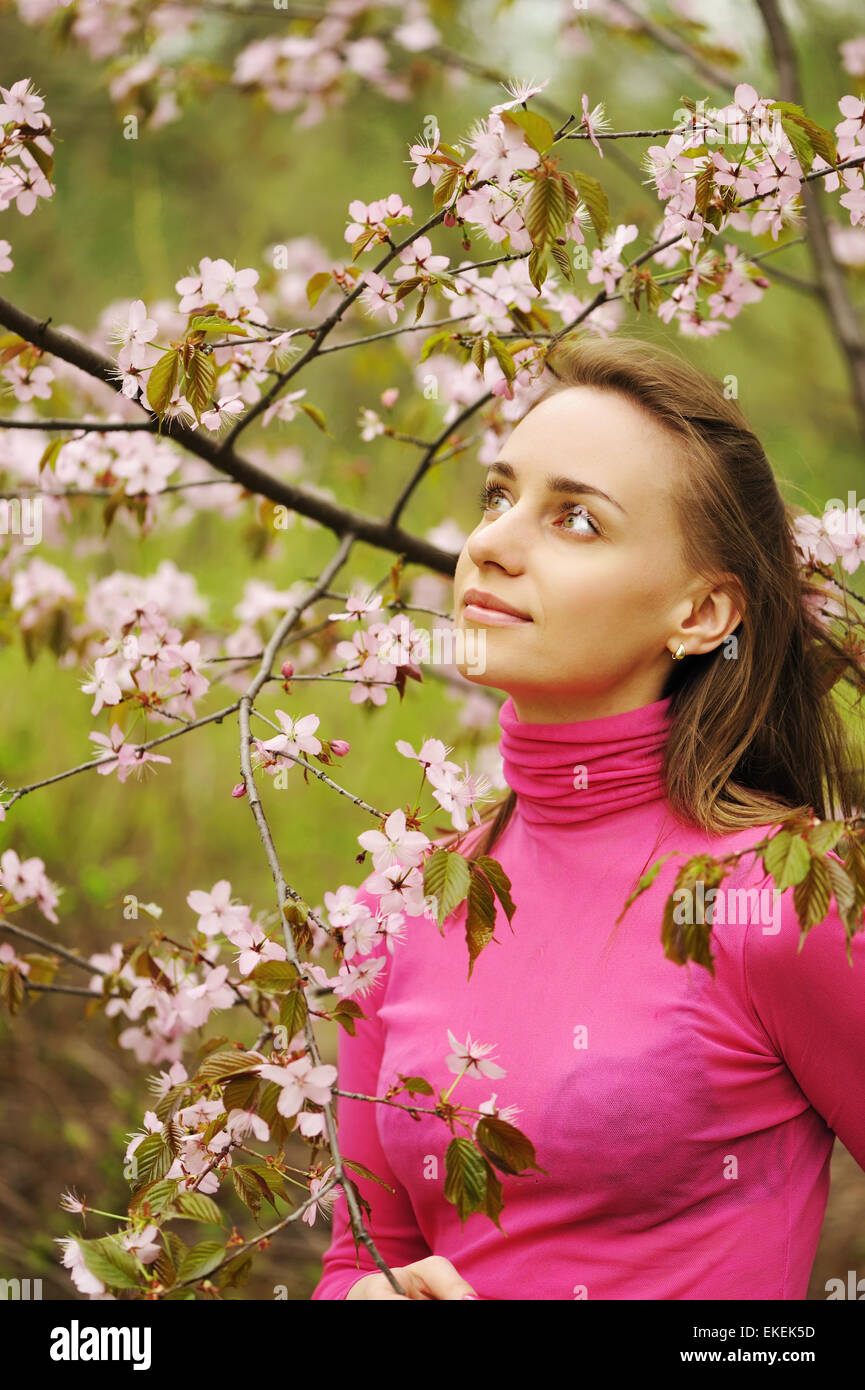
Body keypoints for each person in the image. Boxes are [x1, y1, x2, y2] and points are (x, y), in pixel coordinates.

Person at [310, 335, 865, 1301]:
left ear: (700, 614)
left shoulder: (774, 900)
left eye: (574, 519)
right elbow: (363, 1256)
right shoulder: (396, 905)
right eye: (497, 496)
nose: (489, 543)